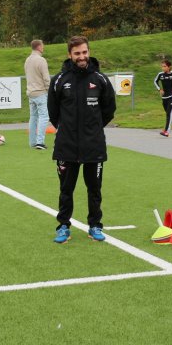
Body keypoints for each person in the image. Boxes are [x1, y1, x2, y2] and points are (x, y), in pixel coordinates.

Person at [48, 35, 117, 244]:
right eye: (77, 53)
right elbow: (53, 112)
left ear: (89, 52)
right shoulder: (59, 80)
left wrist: (92, 129)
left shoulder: (100, 79)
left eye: (84, 52)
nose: (82, 57)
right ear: (70, 55)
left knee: (94, 189)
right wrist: (68, 130)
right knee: (65, 190)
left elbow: (109, 110)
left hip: (93, 146)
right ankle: (63, 226)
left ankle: (95, 225)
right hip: (66, 147)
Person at [25, 39, 51, 150]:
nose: (43, 47)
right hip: (40, 92)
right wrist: (50, 90)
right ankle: (40, 142)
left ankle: (32, 142)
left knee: (34, 117)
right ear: (39, 47)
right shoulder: (41, 60)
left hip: (31, 93)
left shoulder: (27, 60)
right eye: (43, 45)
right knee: (44, 117)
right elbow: (46, 78)